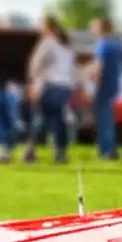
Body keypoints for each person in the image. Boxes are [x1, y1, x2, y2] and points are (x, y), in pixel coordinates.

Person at [25, 16, 76, 164]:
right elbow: (73, 69)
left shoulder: (47, 43)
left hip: (50, 85)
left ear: (46, 28)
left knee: (41, 118)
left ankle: (31, 149)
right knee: (59, 119)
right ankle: (60, 151)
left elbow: (35, 65)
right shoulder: (66, 46)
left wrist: (34, 84)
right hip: (65, 86)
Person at [90, 16, 122, 160]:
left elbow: (99, 65)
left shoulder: (102, 45)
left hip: (103, 85)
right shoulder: (116, 44)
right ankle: (111, 148)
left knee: (103, 120)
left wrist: (93, 81)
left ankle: (106, 150)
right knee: (108, 119)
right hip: (113, 84)